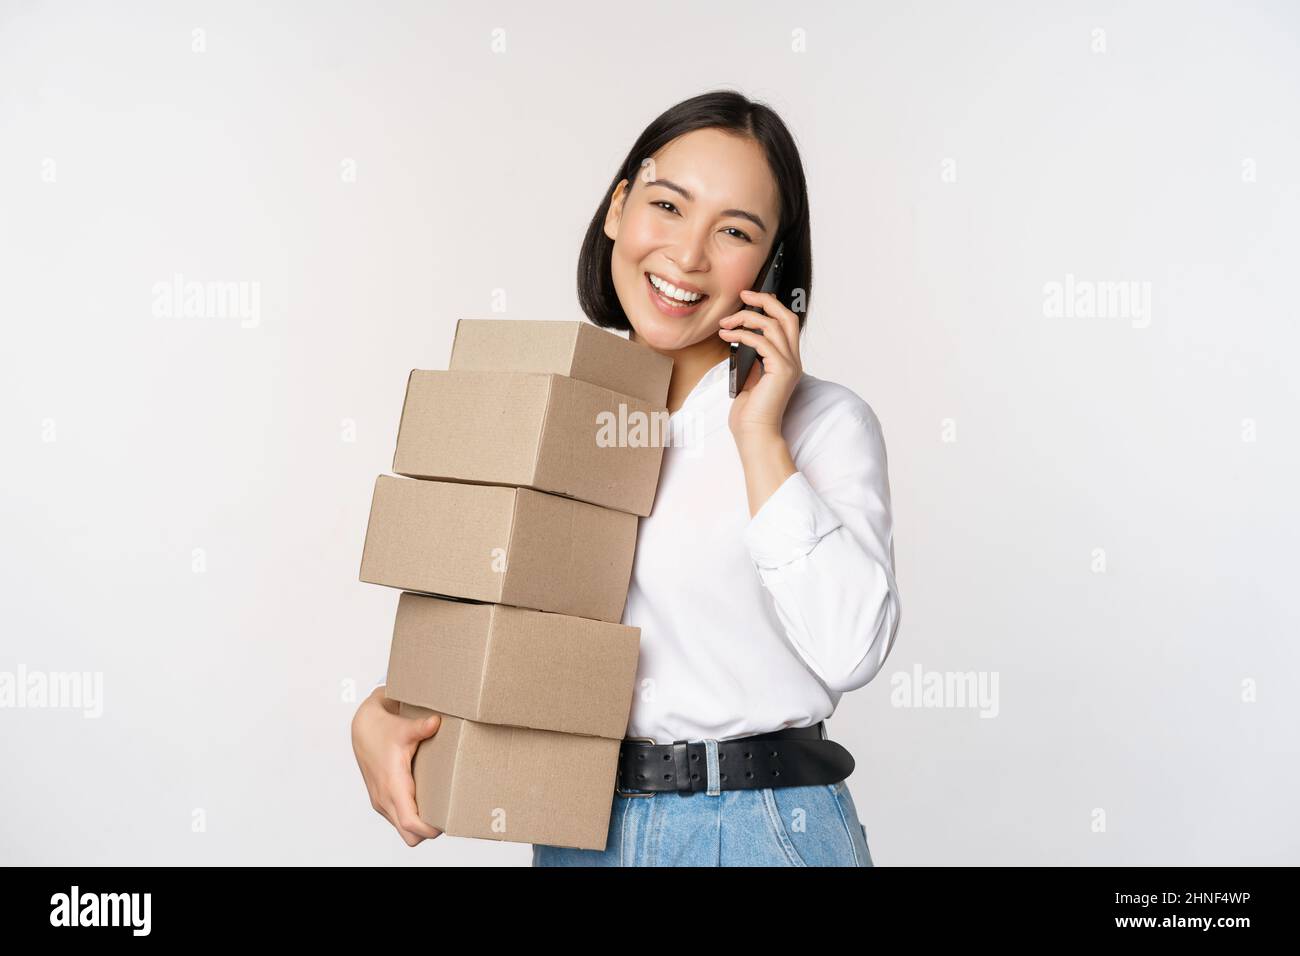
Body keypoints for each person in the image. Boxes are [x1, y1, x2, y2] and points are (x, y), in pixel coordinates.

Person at [352, 89, 901, 866]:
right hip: (582, 825)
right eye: (668, 206)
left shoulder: (821, 424)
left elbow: (853, 650)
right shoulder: (556, 406)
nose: (688, 255)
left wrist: (757, 435)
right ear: (618, 208)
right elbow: (497, 627)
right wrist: (384, 710)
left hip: (757, 828)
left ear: (772, 264)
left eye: (735, 230)